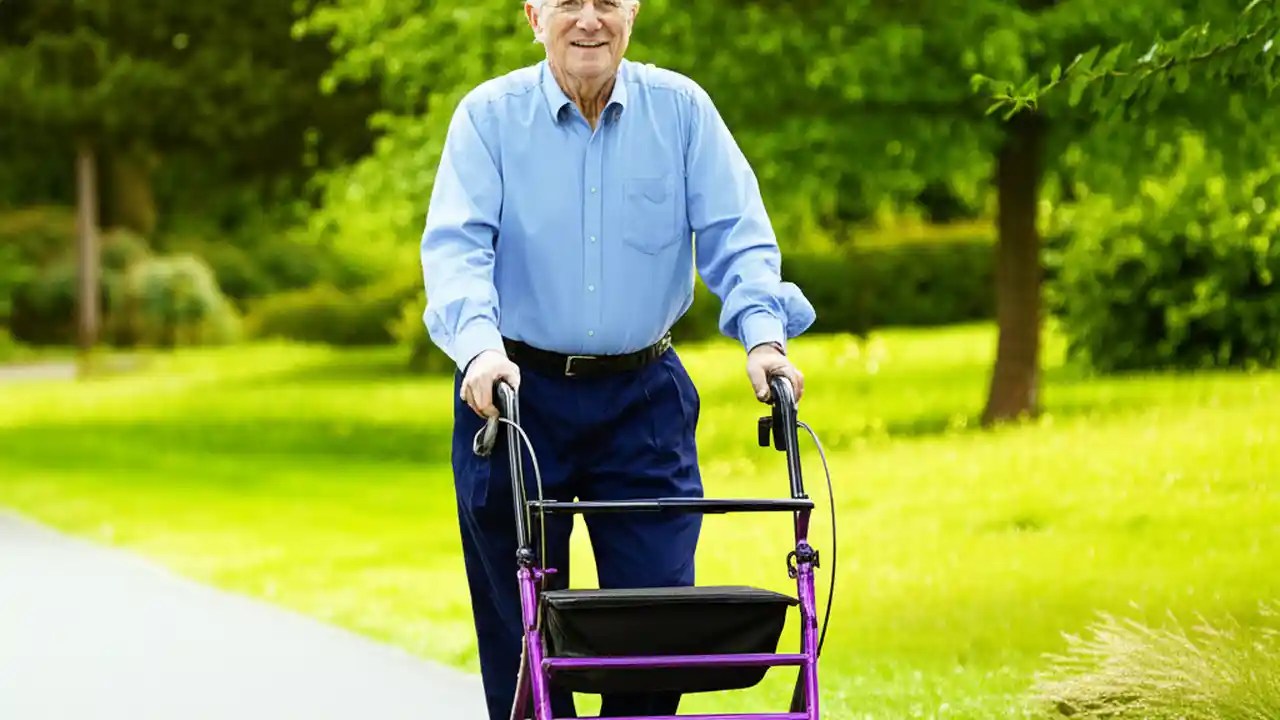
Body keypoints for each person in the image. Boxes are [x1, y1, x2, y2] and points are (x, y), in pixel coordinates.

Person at [419, 0, 815, 716]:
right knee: (523, 637)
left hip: (643, 399)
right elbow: (457, 252)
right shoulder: (489, 118)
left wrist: (763, 337)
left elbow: (738, 235)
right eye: (569, 2)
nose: (590, 20)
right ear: (534, 16)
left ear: (633, 13)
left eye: (608, 1)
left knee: (657, 623)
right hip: (514, 394)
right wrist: (477, 349)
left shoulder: (682, 111)